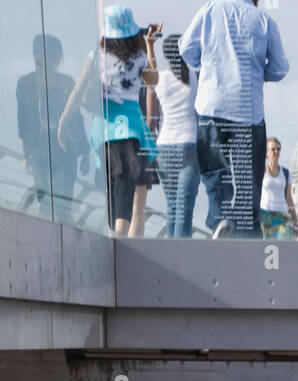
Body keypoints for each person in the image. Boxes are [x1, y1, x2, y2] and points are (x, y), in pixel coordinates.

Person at [179, 0, 289, 239]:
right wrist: (257, 73)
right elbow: (280, 68)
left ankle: (221, 218)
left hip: (212, 104)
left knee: (214, 171)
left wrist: (207, 64)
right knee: (249, 180)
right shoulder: (264, 21)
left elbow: (186, 49)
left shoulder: (209, 10)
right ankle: (249, 236)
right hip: (249, 111)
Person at [57, 7, 160, 238]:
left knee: (115, 187)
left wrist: (63, 119)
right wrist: (150, 46)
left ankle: (115, 239)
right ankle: (122, 244)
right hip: (132, 129)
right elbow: (154, 80)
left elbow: (79, 89)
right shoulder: (139, 55)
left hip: (104, 130)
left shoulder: (97, 55)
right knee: (130, 188)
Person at [16, 35, 83, 223]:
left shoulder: (63, 82)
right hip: (48, 151)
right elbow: (23, 122)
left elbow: (23, 122)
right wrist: (25, 155)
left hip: (55, 151)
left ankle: (52, 247)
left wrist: (25, 155)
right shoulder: (28, 83)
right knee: (52, 205)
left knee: (54, 206)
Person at [154, 34, 200, 238]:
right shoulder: (194, 76)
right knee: (184, 209)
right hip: (188, 144)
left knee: (172, 206)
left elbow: (149, 70)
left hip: (163, 146)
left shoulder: (161, 78)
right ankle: (183, 259)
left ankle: (170, 258)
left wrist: (149, 44)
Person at [260, 136, 298, 238]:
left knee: (284, 244)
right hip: (265, 214)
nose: (276, 152)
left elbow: (289, 198)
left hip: (281, 215)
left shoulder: (285, 173)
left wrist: (295, 218)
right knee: (264, 247)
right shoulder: (260, 171)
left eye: (278, 149)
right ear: (267, 152)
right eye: (273, 149)